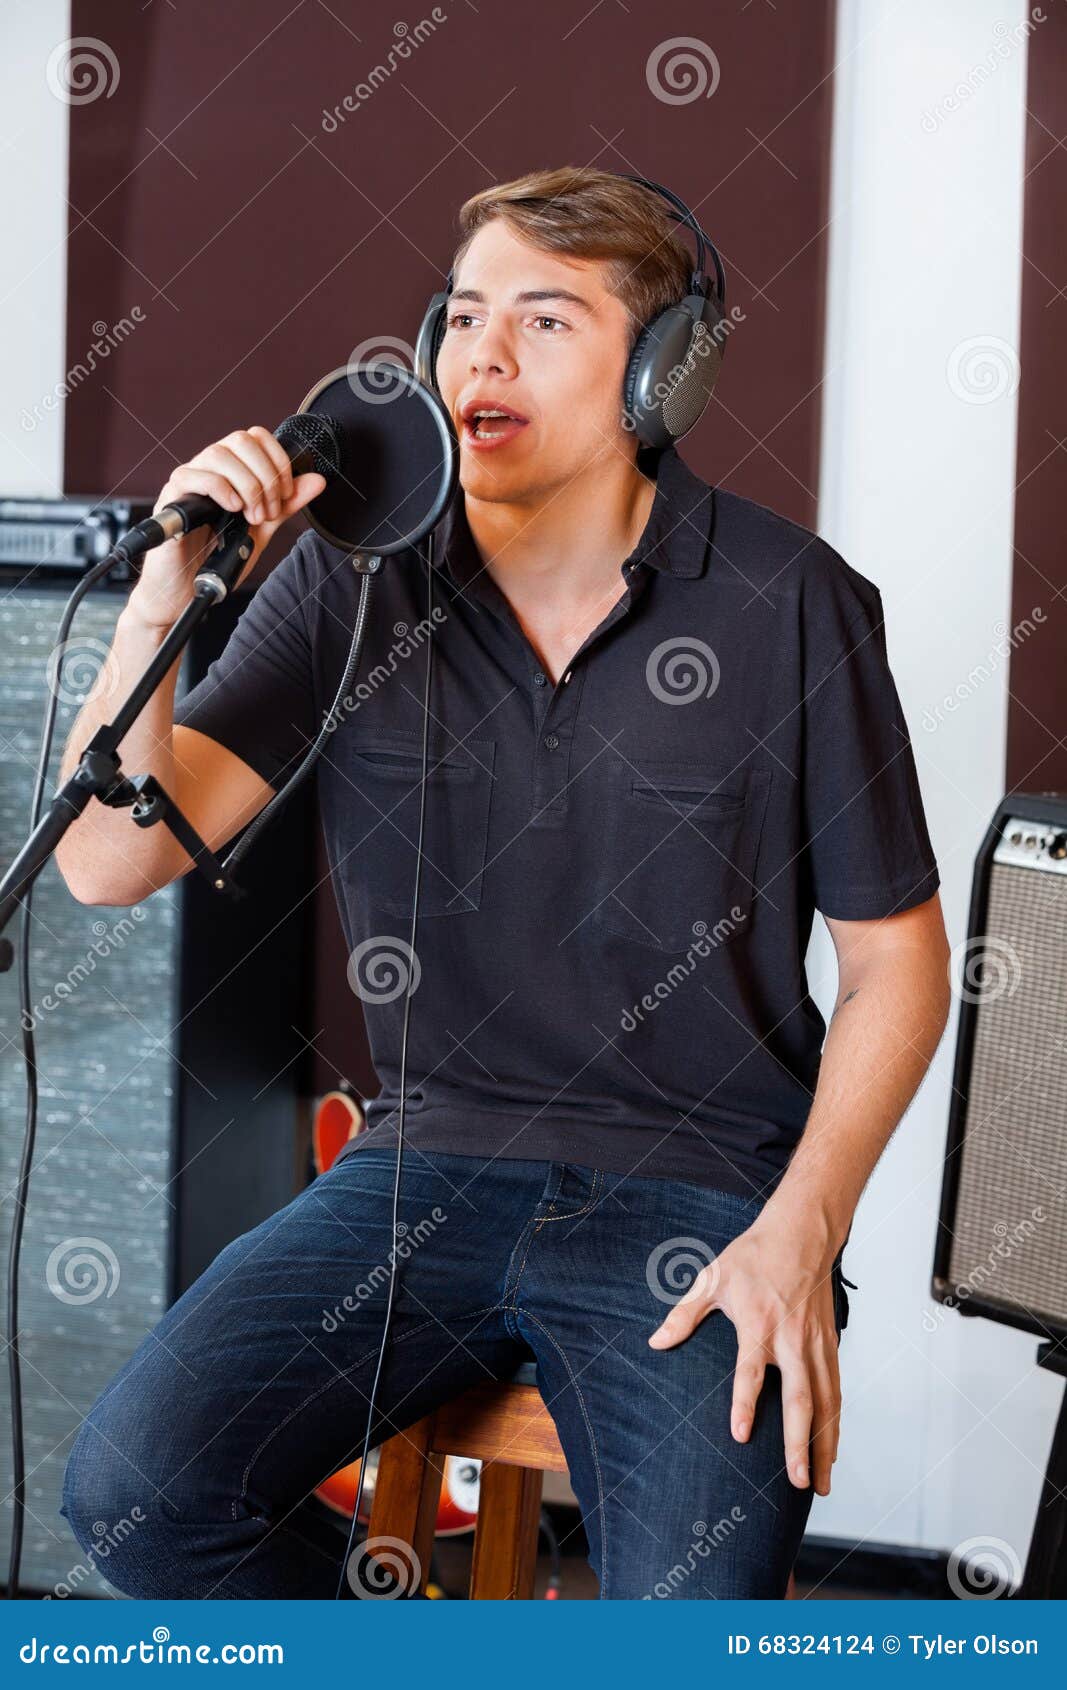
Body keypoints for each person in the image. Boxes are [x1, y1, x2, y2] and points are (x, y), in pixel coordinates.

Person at [56, 166, 951, 1599]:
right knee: (136, 1494)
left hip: (704, 1193)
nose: (481, 352)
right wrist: (169, 588)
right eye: (463, 315)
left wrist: (805, 1224)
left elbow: (900, 966)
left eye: (544, 320)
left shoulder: (795, 604)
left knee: (689, 1618)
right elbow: (109, 860)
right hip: (423, 1168)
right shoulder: (354, 584)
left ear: (664, 373)